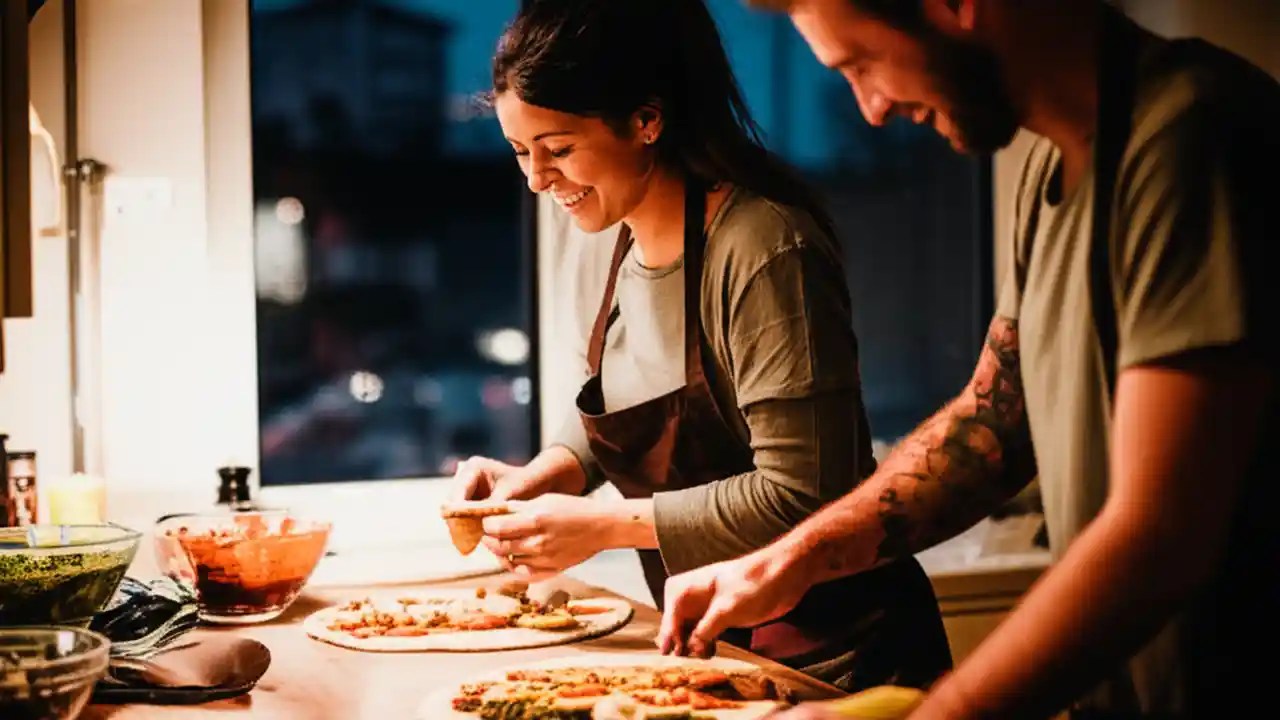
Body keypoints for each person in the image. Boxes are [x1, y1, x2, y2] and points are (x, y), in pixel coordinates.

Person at [657, 1, 1280, 717]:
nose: (872, 109)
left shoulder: (1192, 139)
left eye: (861, 65)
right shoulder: (1056, 165)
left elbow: (1159, 537)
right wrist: (785, 563)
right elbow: (991, 422)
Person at [452, 0, 951, 693]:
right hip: (716, 652)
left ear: (647, 120)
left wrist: (600, 526)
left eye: (558, 149)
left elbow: (804, 494)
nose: (536, 179)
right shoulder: (619, 235)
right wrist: (539, 477)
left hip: (841, 662)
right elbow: (631, 404)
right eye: (519, 152)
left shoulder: (763, 245)